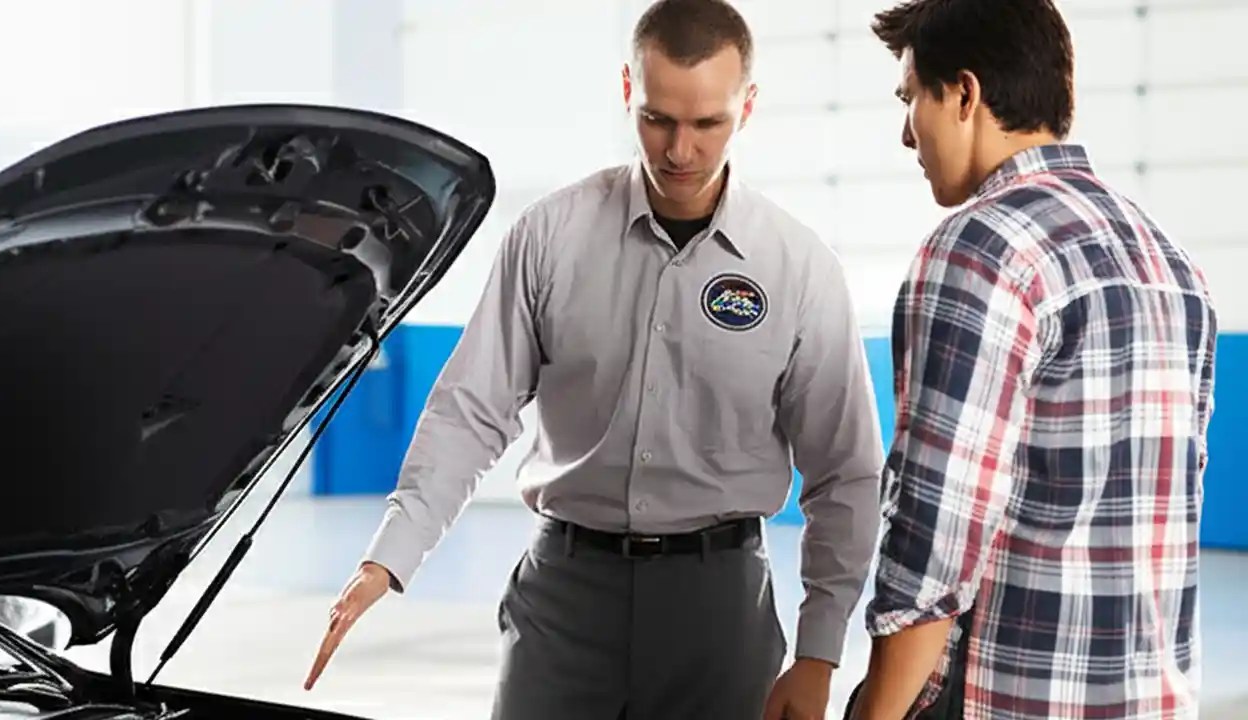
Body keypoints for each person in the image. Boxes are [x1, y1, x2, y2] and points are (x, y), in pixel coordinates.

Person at [302, 0, 885, 718]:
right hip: (562, 600)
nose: (680, 150)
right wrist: (388, 556)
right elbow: (472, 409)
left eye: (708, 124)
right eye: (657, 118)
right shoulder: (551, 237)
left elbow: (845, 471)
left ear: (749, 106)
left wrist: (819, 651)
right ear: (626, 91)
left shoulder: (798, 269)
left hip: (720, 609)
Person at [844, 1, 1218, 719]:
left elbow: (934, 543)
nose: (905, 133)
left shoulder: (982, 249)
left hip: (1012, 699)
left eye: (910, 98)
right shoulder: (1173, 265)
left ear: (963, 93)